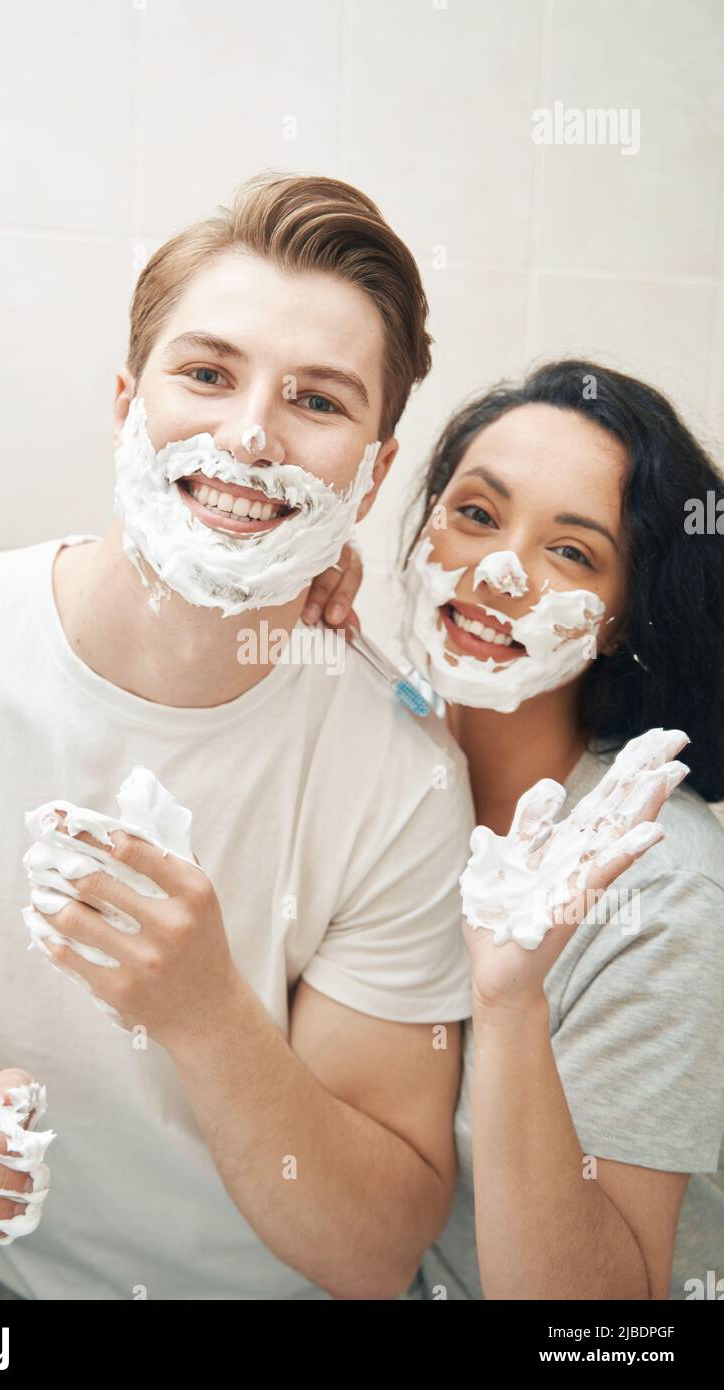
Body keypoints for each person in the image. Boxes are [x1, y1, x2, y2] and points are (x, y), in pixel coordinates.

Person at [0, 171, 478, 1301]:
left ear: (371, 475)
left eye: (317, 402)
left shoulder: (402, 778)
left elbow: (372, 1250)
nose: (248, 435)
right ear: (127, 401)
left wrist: (204, 1013)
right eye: (206, 374)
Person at [307, 358, 724, 1299]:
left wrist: (510, 1009)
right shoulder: (381, 748)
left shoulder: (660, 880)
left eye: (571, 553)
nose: (497, 574)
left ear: (619, 621)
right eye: (477, 515)